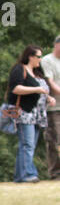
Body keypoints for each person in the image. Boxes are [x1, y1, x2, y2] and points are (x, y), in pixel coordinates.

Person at [6, 46, 52, 182]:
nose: (40, 59)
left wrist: (49, 98)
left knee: (27, 145)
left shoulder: (37, 72)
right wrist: (36, 89)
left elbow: (43, 90)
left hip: (37, 114)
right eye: (38, 56)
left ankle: (20, 176)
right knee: (28, 144)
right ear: (30, 57)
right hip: (25, 113)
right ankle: (28, 174)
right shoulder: (19, 69)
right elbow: (16, 89)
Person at [41, 35, 60, 179]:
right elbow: (50, 83)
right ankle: (55, 173)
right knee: (53, 140)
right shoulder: (47, 60)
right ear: (57, 45)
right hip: (53, 108)